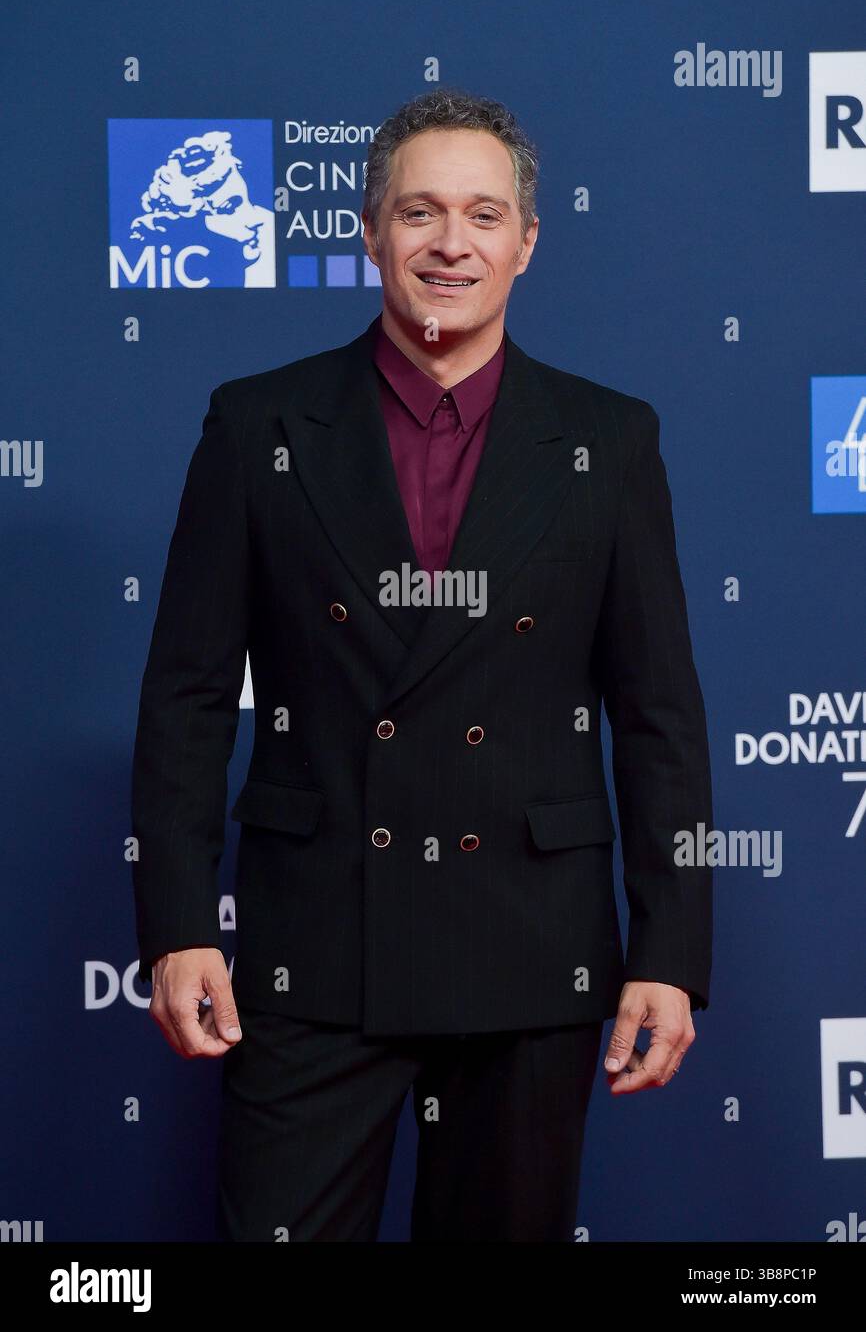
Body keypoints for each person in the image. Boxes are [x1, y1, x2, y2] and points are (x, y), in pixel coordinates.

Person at [130, 88, 714, 1242]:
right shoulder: (260, 428)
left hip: (528, 947)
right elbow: (189, 695)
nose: (452, 243)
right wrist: (180, 922)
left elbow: (657, 712)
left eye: (484, 215)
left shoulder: (611, 438)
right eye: (420, 213)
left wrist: (670, 949)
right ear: (368, 232)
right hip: (314, 953)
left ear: (526, 243)